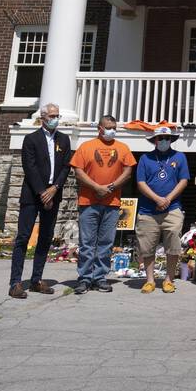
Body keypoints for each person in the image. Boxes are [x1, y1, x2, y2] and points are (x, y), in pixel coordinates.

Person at [9, 103, 71, 298]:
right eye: (52, 115)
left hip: (53, 195)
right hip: (32, 196)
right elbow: (30, 167)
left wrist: (54, 189)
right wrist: (42, 192)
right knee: (23, 237)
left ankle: (36, 280)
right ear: (43, 117)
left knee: (45, 238)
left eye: (57, 115)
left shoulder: (64, 139)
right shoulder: (31, 139)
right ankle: (15, 283)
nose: (55, 118)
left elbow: (66, 166)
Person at [70, 114, 136, 293]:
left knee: (106, 242)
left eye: (114, 127)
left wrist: (112, 187)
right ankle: (84, 278)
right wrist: (96, 187)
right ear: (99, 128)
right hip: (88, 201)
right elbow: (78, 171)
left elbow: (128, 171)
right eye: (108, 127)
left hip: (112, 203)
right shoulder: (86, 147)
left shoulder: (123, 148)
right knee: (87, 242)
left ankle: (99, 277)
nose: (111, 130)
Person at [134, 121, 189, 294]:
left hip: (172, 208)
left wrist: (168, 198)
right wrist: (157, 199)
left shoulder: (179, 157)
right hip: (147, 210)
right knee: (147, 245)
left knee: (173, 244)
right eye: (161, 138)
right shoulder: (145, 158)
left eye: (167, 138)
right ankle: (150, 280)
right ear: (155, 140)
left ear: (171, 140)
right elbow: (141, 183)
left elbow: (184, 180)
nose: (164, 140)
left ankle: (169, 279)